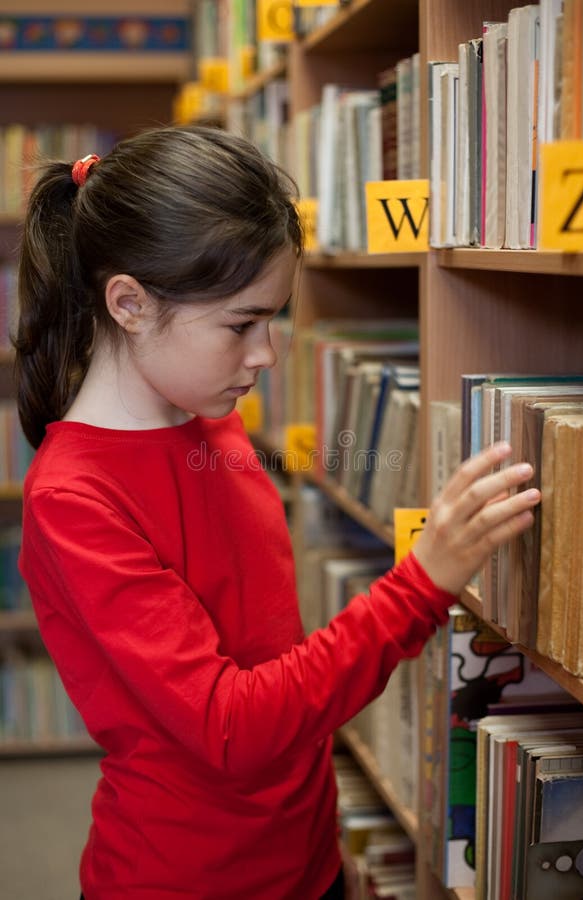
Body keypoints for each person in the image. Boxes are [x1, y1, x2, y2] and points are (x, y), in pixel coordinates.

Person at [15, 125, 540, 900]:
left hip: (302, 857)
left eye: (273, 321)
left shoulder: (213, 421)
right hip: (187, 880)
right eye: (241, 324)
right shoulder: (74, 501)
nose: (265, 353)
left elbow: (269, 646)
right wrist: (421, 584)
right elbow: (231, 727)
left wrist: (320, 849)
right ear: (128, 303)